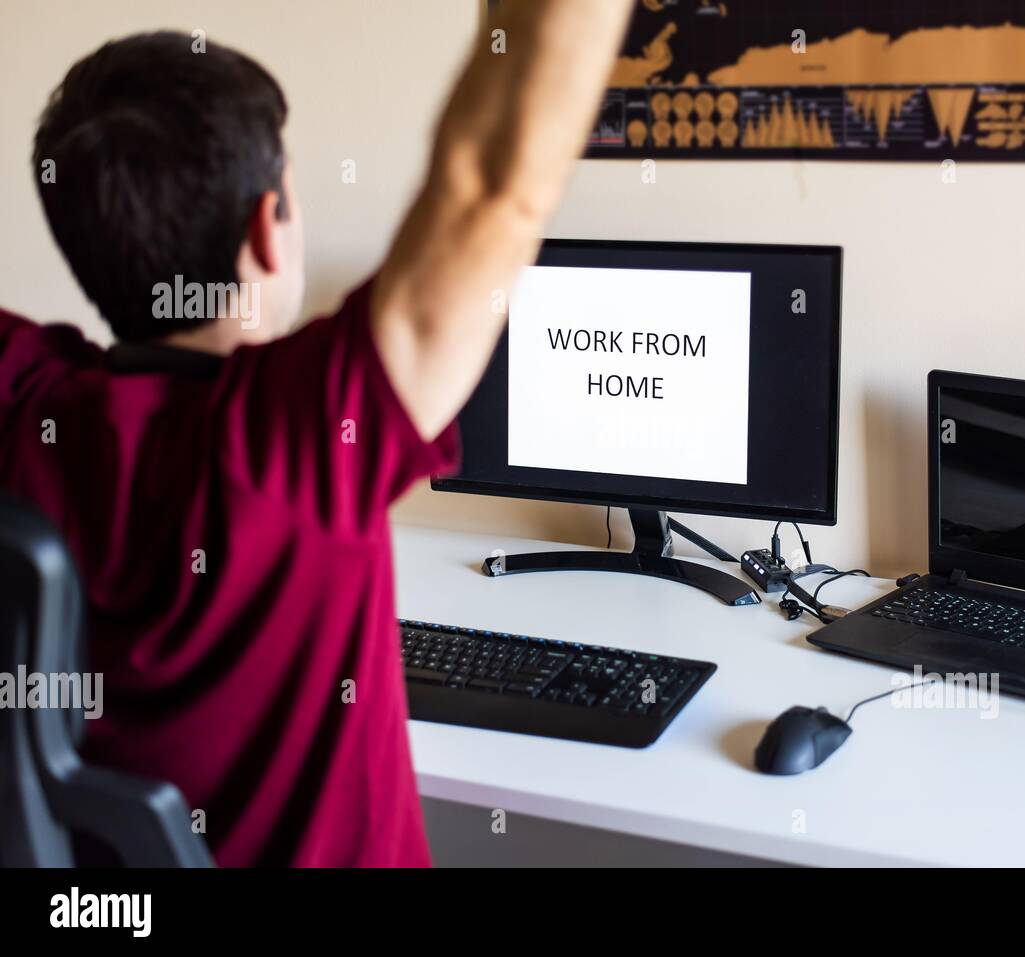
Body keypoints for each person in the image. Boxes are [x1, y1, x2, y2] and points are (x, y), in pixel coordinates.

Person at [0, 0, 635, 866]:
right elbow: (494, 187)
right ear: (269, 228)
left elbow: (494, 190)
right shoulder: (302, 438)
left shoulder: (23, 402)